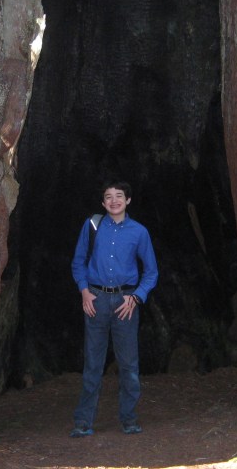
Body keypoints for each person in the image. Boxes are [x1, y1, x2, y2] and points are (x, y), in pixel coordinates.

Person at [69, 180, 159, 437]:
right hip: (96, 300)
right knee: (93, 363)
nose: (114, 200)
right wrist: (84, 292)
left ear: (128, 200)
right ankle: (83, 422)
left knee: (128, 364)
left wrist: (137, 297)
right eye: (108, 196)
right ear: (103, 202)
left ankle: (129, 418)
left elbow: (151, 272)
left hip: (125, 303)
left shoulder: (139, 232)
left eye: (119, 196)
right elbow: (78, 262)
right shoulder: (93, 226)